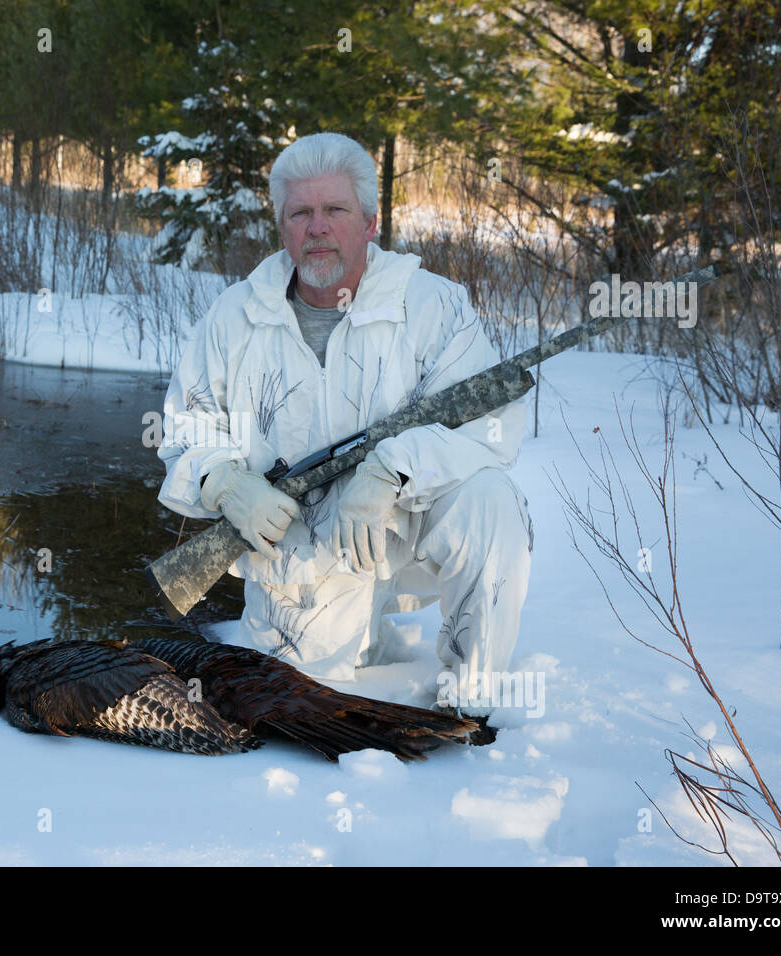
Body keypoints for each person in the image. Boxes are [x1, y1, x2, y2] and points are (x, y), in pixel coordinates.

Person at [157, 132, 532, 722]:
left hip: (401, 533)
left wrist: (392, 469)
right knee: (299, 712)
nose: (317, 227)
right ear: (281, 226)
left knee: (493, 500)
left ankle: (475, 700)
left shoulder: (433, 305)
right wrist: (227, 483)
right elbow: (183, 426)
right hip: (297, 554)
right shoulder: (235, 314)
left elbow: (492, 431)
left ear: (371, 221)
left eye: (335, 210)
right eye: (300, 212)